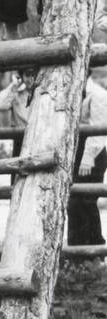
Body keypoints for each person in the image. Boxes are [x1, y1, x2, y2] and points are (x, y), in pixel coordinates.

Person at [67, 76, 107, 247]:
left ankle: (94, 247)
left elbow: (98, 129)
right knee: (73, 201)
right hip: (77, 148)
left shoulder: (97, 94)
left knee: (86, 200)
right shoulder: (71, 89)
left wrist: (87, 158)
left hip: (93, 151)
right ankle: (76, 249)